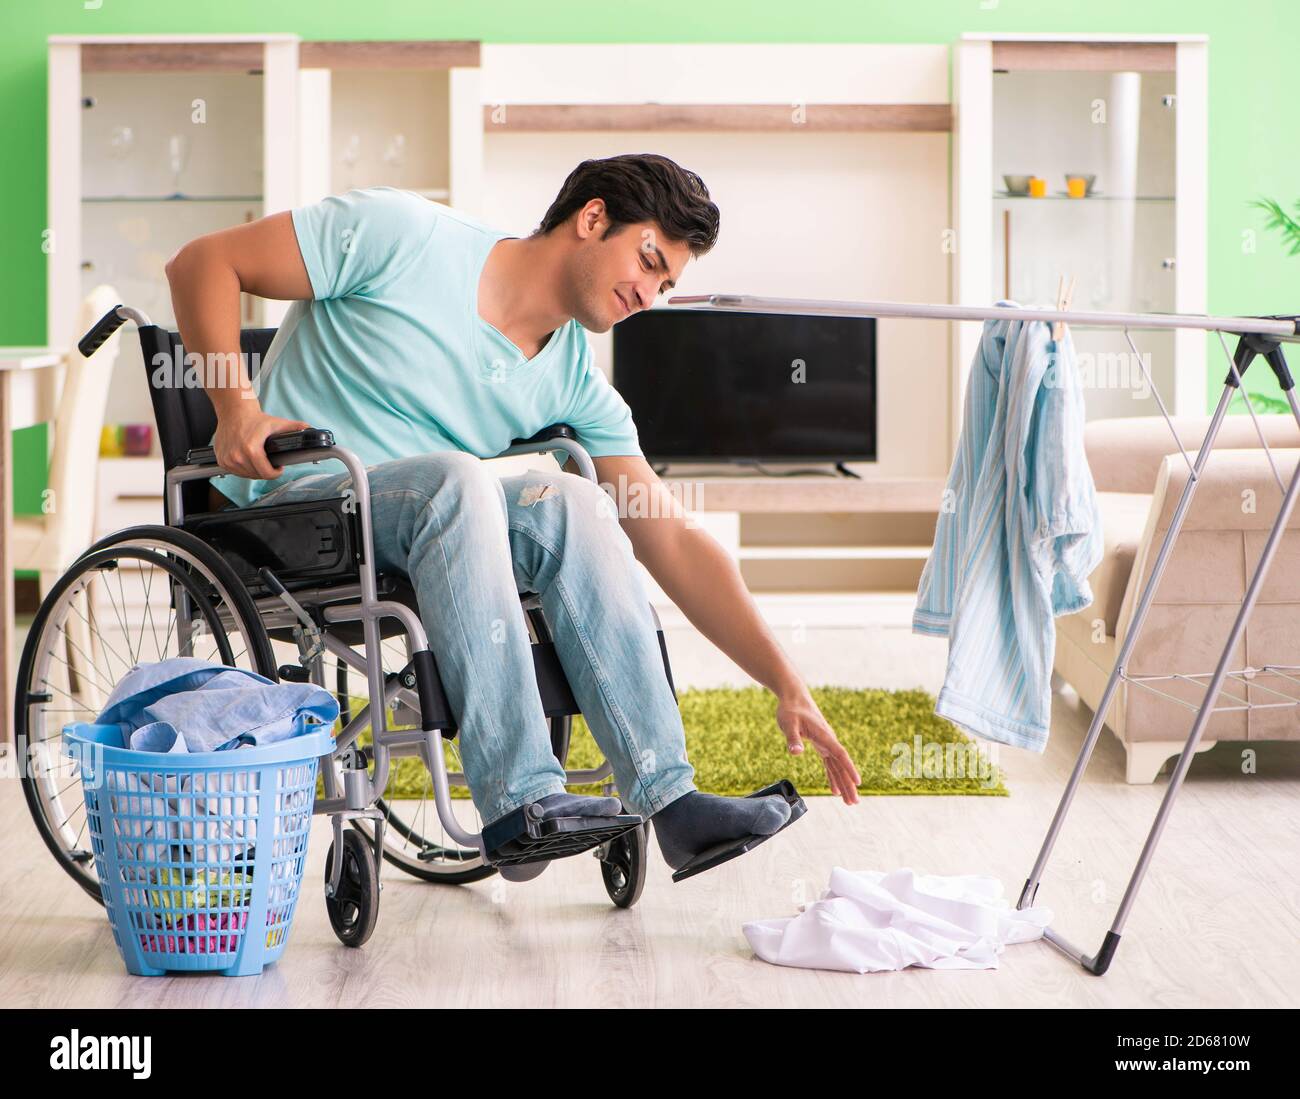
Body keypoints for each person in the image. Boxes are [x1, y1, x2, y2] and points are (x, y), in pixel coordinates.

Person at [164, 153, 861, 876]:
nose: (650, 295)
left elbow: (674, 540)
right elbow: (202, 264)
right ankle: (522, 798)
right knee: (459, 478)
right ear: (592, 218)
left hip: (419, 526)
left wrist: (787, 682)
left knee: (574, 499)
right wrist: (234, 406)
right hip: (288, 510)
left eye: (667, 283)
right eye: (649, 260)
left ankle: (670, 798)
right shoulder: (401, 233)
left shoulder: (571, 377)